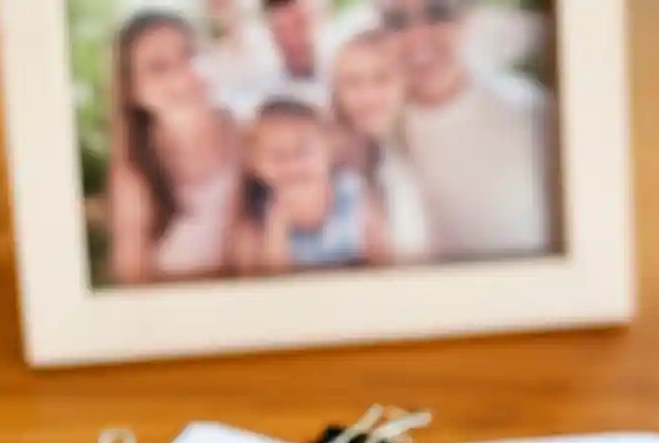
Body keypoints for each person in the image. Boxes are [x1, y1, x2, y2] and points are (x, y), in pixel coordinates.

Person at [380, 0, 550, 260]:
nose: (417, 35)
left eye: (438, 13)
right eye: (396, 21)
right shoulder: (368, 131)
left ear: (467, 20)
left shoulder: (532, 114)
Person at [108, 12, 242, 285]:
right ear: (133, 91)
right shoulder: (135, 173)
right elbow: (132, 281)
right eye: (158, 67)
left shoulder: (246, 134)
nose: (182, 73)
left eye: (190, 54)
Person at [234, 99, 390, 274]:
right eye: (277, 155)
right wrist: (278, 226)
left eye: (303, 150)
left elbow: (383, 260)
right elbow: (269, 281)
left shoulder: (353, 193)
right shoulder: (254, 218)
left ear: (328, 149)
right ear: (255, 163)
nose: (291, 163)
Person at [331, 31, 430, 263]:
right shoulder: (328, 161)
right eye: (353, 83)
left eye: (382, 79)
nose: (368, 96)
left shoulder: (415, 152)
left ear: (405, 83)